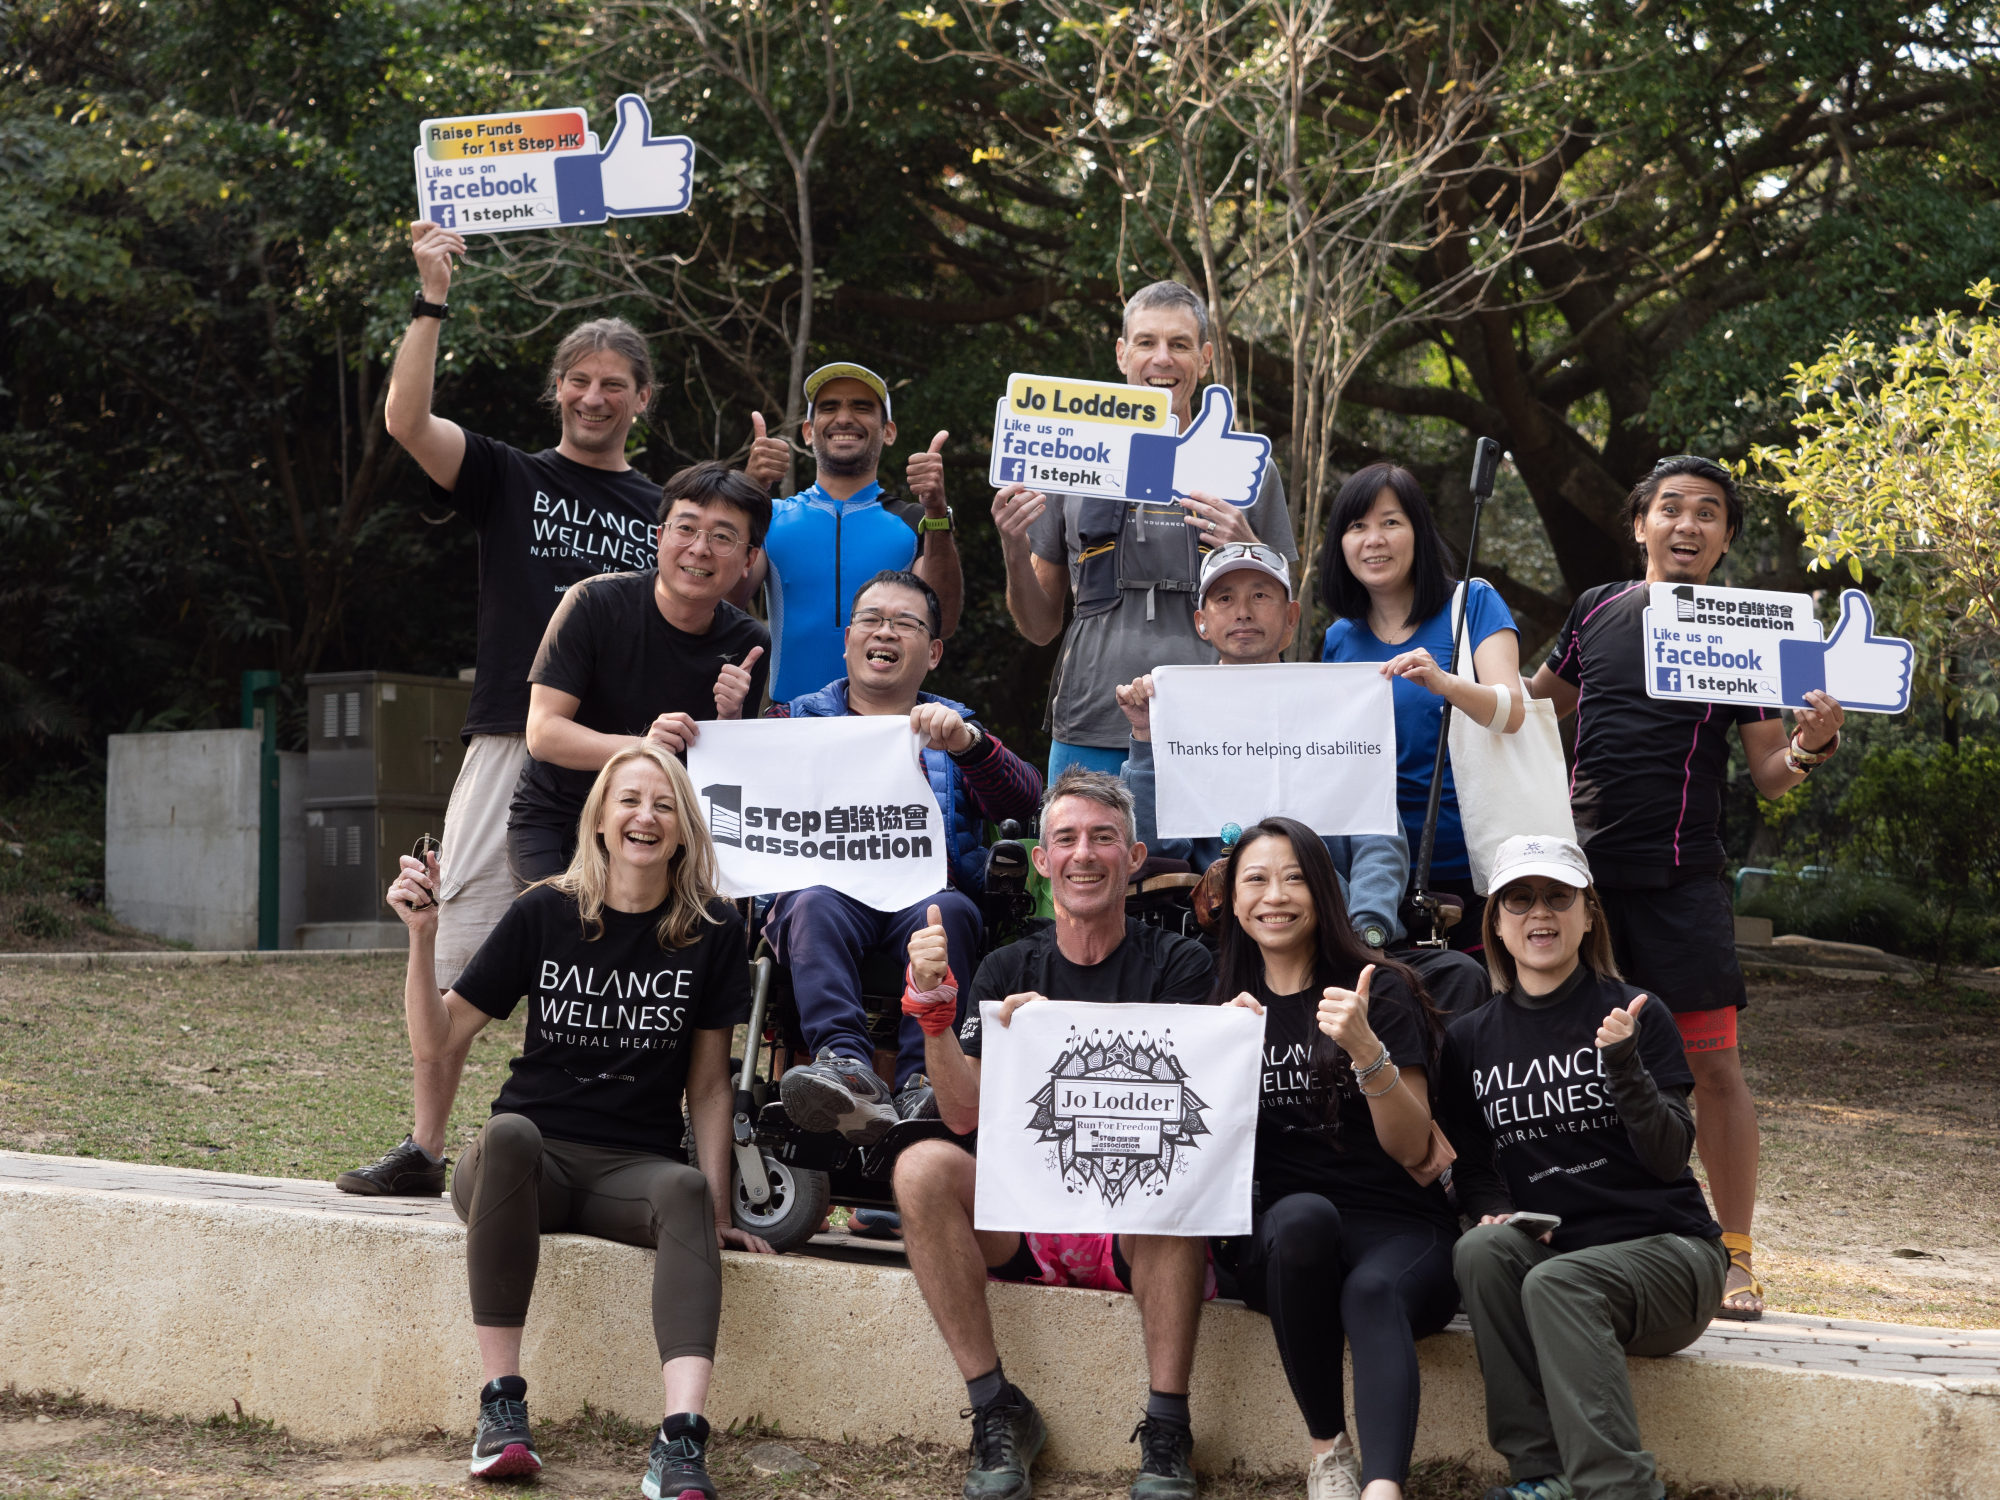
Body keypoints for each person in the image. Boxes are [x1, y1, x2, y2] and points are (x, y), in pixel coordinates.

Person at [339, 222, 675, 1197]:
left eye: (615, 383)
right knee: (461, 948)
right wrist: (430, 294)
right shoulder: (509, 476)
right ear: (557, 389)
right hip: (508, 742)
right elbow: (407, 420)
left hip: (624, 767)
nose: (594, 395)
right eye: (579, 379)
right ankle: (423, 1145)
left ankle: (591, 1143)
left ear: (641, 400)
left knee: (611, 954)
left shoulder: (666, 512)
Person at [385, 741, 774, 1497]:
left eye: (664, 804)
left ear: (685, 829)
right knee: (509, 1133)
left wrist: (719, 1209)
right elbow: (437, 1040)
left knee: (685, 1193)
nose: (645, 816)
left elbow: (709, 1086)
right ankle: (501, 1410)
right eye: (629, 800)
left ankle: (682, 1440)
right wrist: (422, 936)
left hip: (632, 1168)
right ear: (599, 819)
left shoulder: (712, 929)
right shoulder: (545, 912)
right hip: (526, 1165)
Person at [1527, 455, 1845, 1320]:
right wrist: (1449, 686)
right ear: (1641, 526)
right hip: (1579, 884)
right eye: (1671, 509)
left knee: (1714, 1071)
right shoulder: (1596, 609)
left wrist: (1814, 745)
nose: (1688, 525)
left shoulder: (1745, 629)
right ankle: (1586, 1225)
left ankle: (1734, 1252)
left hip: (1682, 886)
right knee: (1571, 1060)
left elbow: (1772, 774)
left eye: (1709, 514)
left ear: (1725, 540)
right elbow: (1531, 706)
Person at [893, 769, 1216, 1500]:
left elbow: (1192, 1113)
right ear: (1041, 862)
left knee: (1178, 1193)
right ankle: (995, 1408)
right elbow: (964, 1115)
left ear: (1134, 858)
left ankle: (1167, 1429)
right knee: (920, 1170)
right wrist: (936, 1015)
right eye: (1065, 839)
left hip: (1139, 1224)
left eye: (1104, 838)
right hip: (1025, 1219)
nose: (1084, 854)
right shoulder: (1009, 968)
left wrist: (1063, 1044)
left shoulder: (1181, 963)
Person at [1438, 834, 1726, 1500]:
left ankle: (1619, 1488)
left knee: (1557, 1284)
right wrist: (1493, 1212)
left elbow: (1667, 1157)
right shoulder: (1471, 1038)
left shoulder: (1634, 1013)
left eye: (1558, 897)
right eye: (1519, 899)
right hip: (1564, 1270)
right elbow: (1475, 1166)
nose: (1540, 914)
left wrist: (1623, 1068)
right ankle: (1541, 1475)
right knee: (1481, 1251)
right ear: (1497, 925)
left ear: (1588, 913)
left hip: (1671, 1261)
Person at [1114, 543, 1489, 1020]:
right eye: (1224, 598)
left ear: (1292, 618)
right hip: (1228, 941)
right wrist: (1146, 737)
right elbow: (1153, 846)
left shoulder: (1340, 704)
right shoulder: (1172, 708)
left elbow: (1380, 835)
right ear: (1201, 622)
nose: (1243, 612)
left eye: (1261, 597)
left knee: (1458, 976)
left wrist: (1366, 931)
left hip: (1338, 936)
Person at [1211, 818, 1459, 1500]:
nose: (1275, 895)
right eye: (1256, 880)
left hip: (1399, 1225)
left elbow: (1413, 1148)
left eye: (1294, 878)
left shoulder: (1379, 990)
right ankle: (1329, 1453)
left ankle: (1381, 1490)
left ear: (1324, 892)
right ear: (1233, 899)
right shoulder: (1217, 1006)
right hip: (1283, 1244)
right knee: (1302, 1219)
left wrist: (1365, 1050)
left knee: (1372, 1289)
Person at [763, 569, 1043, 1142]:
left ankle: (924, 1082)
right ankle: (846, 1066)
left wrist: (971, 748)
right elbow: (741, 807)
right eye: (871, 619)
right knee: (811, 902)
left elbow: (1027, 798)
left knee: (954, 913)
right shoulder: (793, 721)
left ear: (934, 652)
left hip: (923, 898)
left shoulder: (952, 727)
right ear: (847, 640)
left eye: (905, 623)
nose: (884, 632)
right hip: (830, 896)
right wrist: (713, 733)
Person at [992, 280, 1298, 781]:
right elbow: (1039, 626)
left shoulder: (1246, 468)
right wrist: (1011, 544)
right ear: (1121, 353)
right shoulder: (1062, 459)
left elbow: (1287, 621)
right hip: (1090, 722)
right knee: (1086, 858)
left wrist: (1252, 550)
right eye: (1146, 342)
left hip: (1217, 725)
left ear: (1204, 359)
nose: (1162, 359)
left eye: (1179, 344)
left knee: (1216, 862)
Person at [509, 461, 772, 884]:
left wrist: (730, 722)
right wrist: (642, 747)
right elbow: (543, 733)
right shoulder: (593, 603)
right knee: (562, 931)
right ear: (659, 537)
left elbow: (725, 782)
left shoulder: (748, 642)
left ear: (749, 559)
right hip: (560, 819)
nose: (700, 548)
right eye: (685, 529)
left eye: (722, 537)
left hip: (663, 832)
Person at [1318, 463, 1527, 954]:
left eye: (1391, 522)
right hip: (1375, 874)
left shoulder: (1471, 604)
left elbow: (1511, 711)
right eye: (1357, 526)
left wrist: (1444, 682)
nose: (1375, 539)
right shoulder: (1338, 640)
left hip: (1475, 865)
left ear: (1418, 532)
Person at [739, 362, 964, 702]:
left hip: (883, 724)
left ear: (888, 431)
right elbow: (723, 599)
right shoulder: (772, 516)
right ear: (808, 432)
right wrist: (748, 492)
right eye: (829, 407)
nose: (844, 418)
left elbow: (941, 622)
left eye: (861, 407)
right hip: (790, 722)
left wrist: (936, 514)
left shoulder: (916, 520)